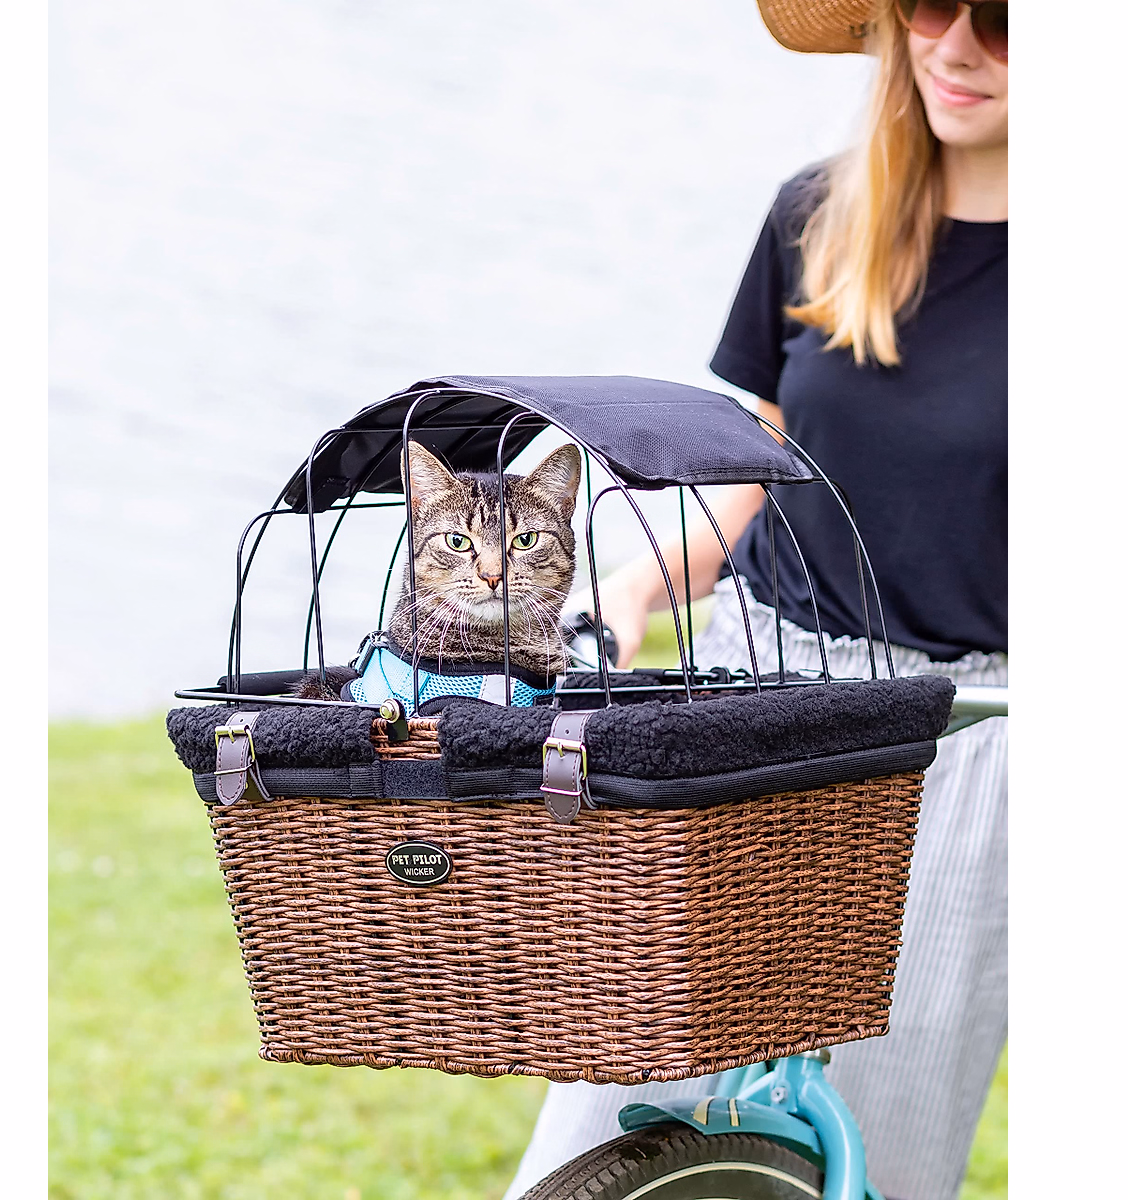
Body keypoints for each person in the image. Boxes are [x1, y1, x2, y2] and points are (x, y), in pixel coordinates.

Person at [502, 3, 1007, 1199]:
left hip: (974, 739)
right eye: (932, 7)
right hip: (754, 703)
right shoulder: (818, 216)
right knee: (603, 1114)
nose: (956, 45)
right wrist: (631, 587)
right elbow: (753, 472)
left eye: (1006, 20)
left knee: (875, 1141)